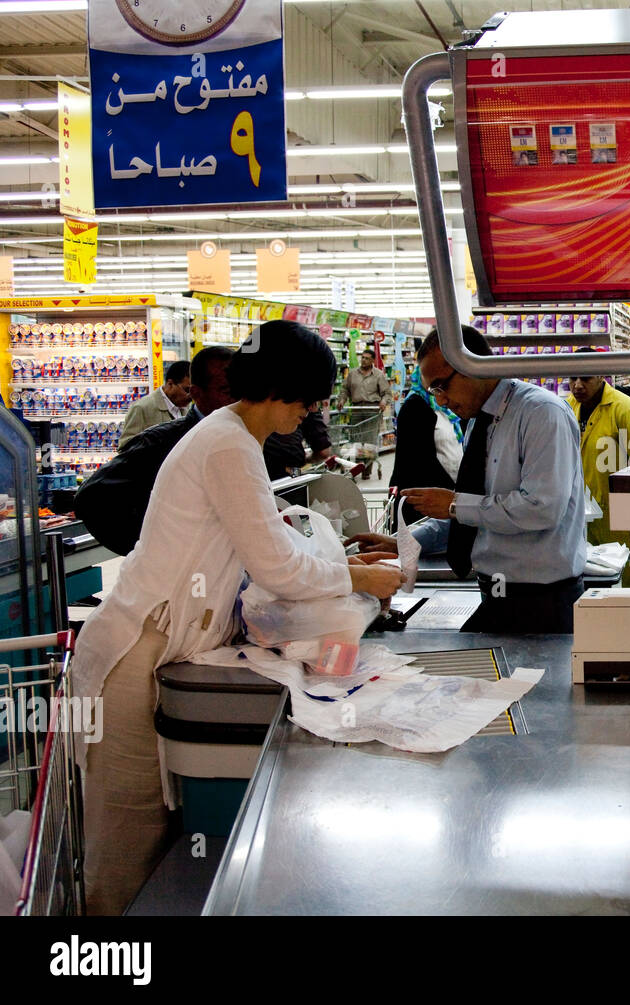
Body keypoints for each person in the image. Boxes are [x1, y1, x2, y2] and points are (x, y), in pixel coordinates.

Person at [73, 321, 403, 915]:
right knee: (125, 834)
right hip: (132, 651)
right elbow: (278, 568)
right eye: (307, 399)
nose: (311, 412)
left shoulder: (234, 441)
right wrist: (359, 579)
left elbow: (270, 535)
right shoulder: (228, 444)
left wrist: (338, 553)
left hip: (164, 643)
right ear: (279, 389)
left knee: (159, 825)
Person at [355, 325, 587, 634]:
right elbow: (478, 509)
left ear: (471, 365)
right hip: (497, 595)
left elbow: (541, 509)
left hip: (542, 602)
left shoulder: (541, 414)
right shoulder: (479, 422)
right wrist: (406, 542)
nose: (440, 401)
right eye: (433, 391)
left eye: (441, 386)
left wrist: (453, 504)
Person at [75, 347, 235, 556]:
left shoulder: (241, 436)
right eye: (226, 390)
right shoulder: (161, 442)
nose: (238, 399)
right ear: (197, 394)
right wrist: (149, 548)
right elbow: (91, 497)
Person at [565, 348, 630, 565]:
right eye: (573, 378)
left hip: (621, 518)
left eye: (586, 378)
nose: (578, 385)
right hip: (581, 517)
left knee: (626, 587)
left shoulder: (627, 410)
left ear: (601, 375)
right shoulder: (568, 408)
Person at [389, 362, 462, 526]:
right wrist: (452, 494)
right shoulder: (415, 407)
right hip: (423, 503)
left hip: (445, 500)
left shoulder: (447, 408)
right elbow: (419, 461)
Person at [119, 360, 191, 447]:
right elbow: (125, 446)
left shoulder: (186, 410)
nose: (191, 396)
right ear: (170, 384)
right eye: (187, 390)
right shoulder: (142, 408)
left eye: (194, 391)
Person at [263, 408, 335, 480]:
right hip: (291, 472)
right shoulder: (309, 405)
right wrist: (305, 459)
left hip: (262, 471)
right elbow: (324, 451)